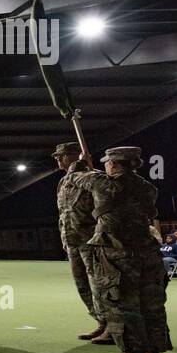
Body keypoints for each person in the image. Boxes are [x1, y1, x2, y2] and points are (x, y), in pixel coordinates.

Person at [76, 146, 171, 353]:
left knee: (122, 306)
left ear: (115, 163)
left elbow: (77, 178)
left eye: (108, 162)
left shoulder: (102, 184)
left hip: (117, 255)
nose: (106, 165)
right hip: (148, 254)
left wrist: (81, 163)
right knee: (152, 305)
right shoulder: (148, 188)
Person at [53, 142, 107, 341]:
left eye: (63, 155)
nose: (58, 159)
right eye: (57, 156)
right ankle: (100, 321)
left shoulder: (92, 177)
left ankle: (112, 326)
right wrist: (64, 238)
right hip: (73, 241)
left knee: (98, 284)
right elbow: (63, 214)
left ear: (77, 155)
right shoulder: (63, 182)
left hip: (91, 240)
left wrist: (85, 166)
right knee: (82, 284)